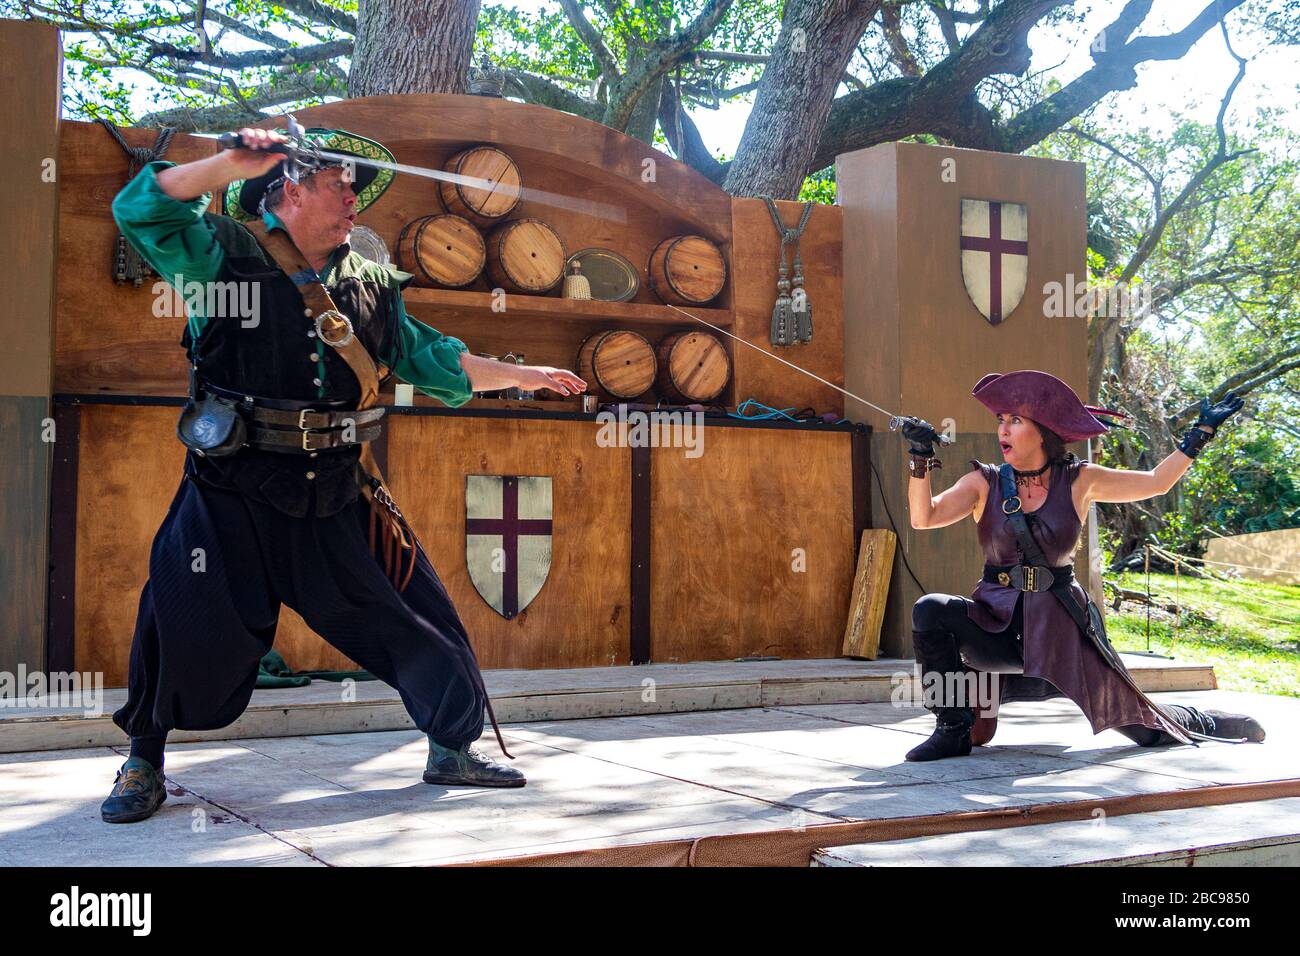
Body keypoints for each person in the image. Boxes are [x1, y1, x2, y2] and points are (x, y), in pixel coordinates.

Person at [100, 126, 587, 822]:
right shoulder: (223, 260)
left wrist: (525, 377)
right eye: (339, 184)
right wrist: (231, 162)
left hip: (337, 487)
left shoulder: (374, 287)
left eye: (355, 187)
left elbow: (438, 363)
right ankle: (143, 761)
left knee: (418, 615)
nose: (354, 198)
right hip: (230, 489)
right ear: (289, 191)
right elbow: (142, 210)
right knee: (180, 618)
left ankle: (451, 747)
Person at [897, 369, 1265, 762]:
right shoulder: (982, 482)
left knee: (1144, 728)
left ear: (1043, 431)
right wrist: (920, 460)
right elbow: (924, 518)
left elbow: (1156, 481)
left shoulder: (1079, 480)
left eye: (1015, 420)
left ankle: (1201, 720)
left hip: (1062, 628)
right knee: (931, 610)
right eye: (1000, 420)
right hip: (996, 625)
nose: (1003, 429)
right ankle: (951, 728)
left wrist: (1199, 436)